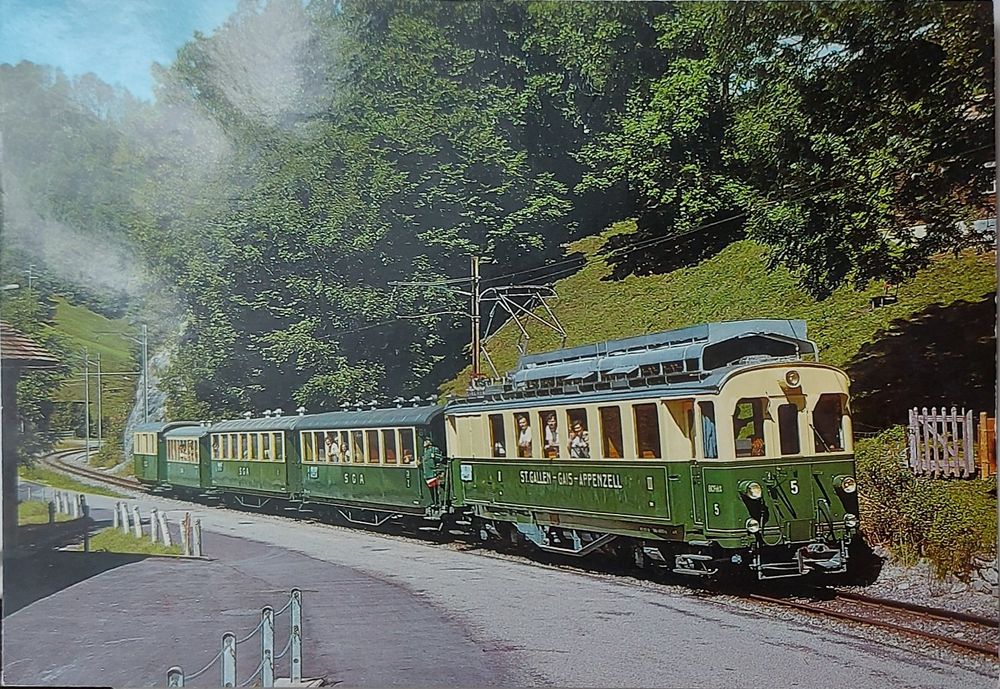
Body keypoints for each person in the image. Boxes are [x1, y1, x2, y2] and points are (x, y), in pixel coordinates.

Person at [420, 437, 445, 505]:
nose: (424, 443)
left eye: (426, 441)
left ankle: (437, 502)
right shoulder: (425, 451)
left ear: (429, 442)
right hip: (427, 473)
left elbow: (439, 459)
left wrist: (436, 467)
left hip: (432, 472)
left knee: (434, 489)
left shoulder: (434, 449)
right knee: (431, 489)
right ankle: (434, 502)